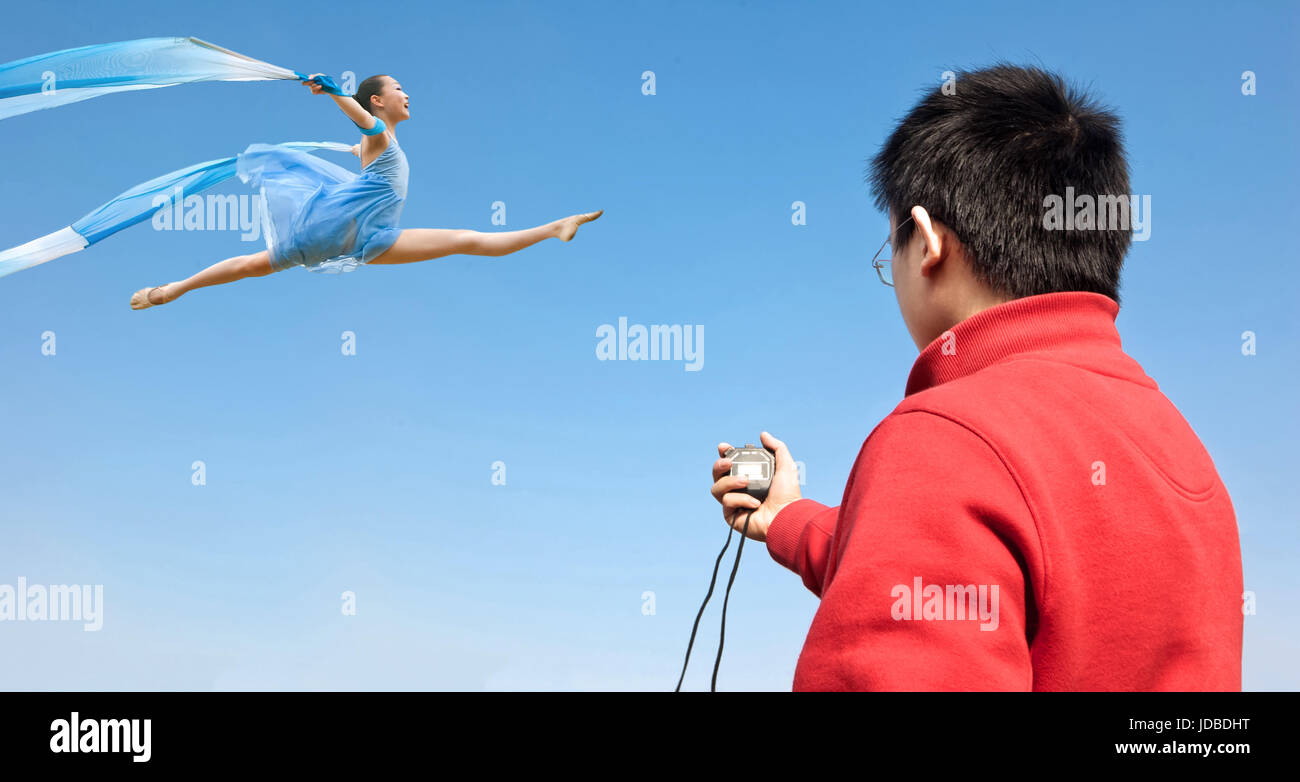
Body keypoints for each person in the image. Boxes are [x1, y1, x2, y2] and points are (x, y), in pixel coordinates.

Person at [710, 65, 1242, 691]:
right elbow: (953, 575)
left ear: (929, 242)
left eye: (891, 256)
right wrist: (790, 518)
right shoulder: (1181, 452)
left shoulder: (944, 440)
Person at [130, 74, 601, 309]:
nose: (406, 93)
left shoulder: (370, 142)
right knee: (253, 266)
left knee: (467, 241)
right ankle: (175, 289)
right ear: (377, 99)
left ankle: (554, 226)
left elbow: (362, 127)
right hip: (336, 227)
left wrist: (333, 94)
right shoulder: (377, 134)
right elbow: (364, 122)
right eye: (399, 88)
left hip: (370, 239)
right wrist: (339, 95)